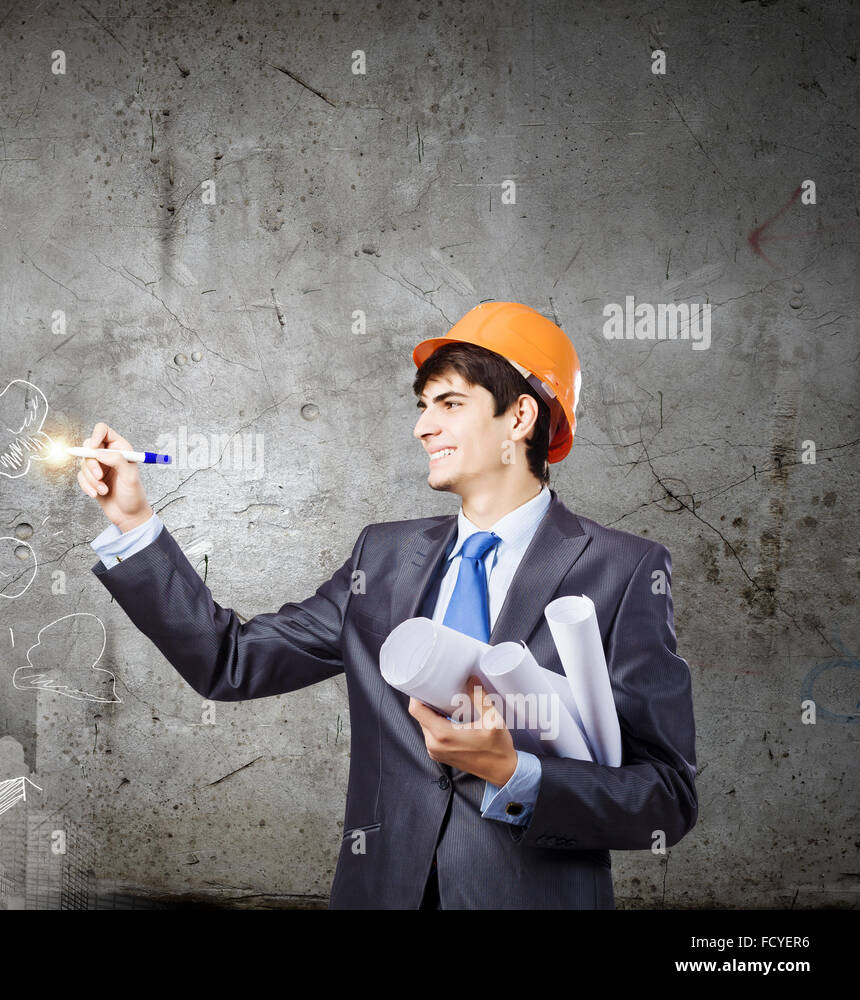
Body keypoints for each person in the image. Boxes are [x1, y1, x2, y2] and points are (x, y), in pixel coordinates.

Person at [77, 301, 698, 909]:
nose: (424, 426)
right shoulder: (383, 557)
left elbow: (667, 798)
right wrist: (134, 521)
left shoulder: (625, 569)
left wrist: (516, 775)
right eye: (424, 406)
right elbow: (229, 661)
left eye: (451, 404)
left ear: (519, 418)